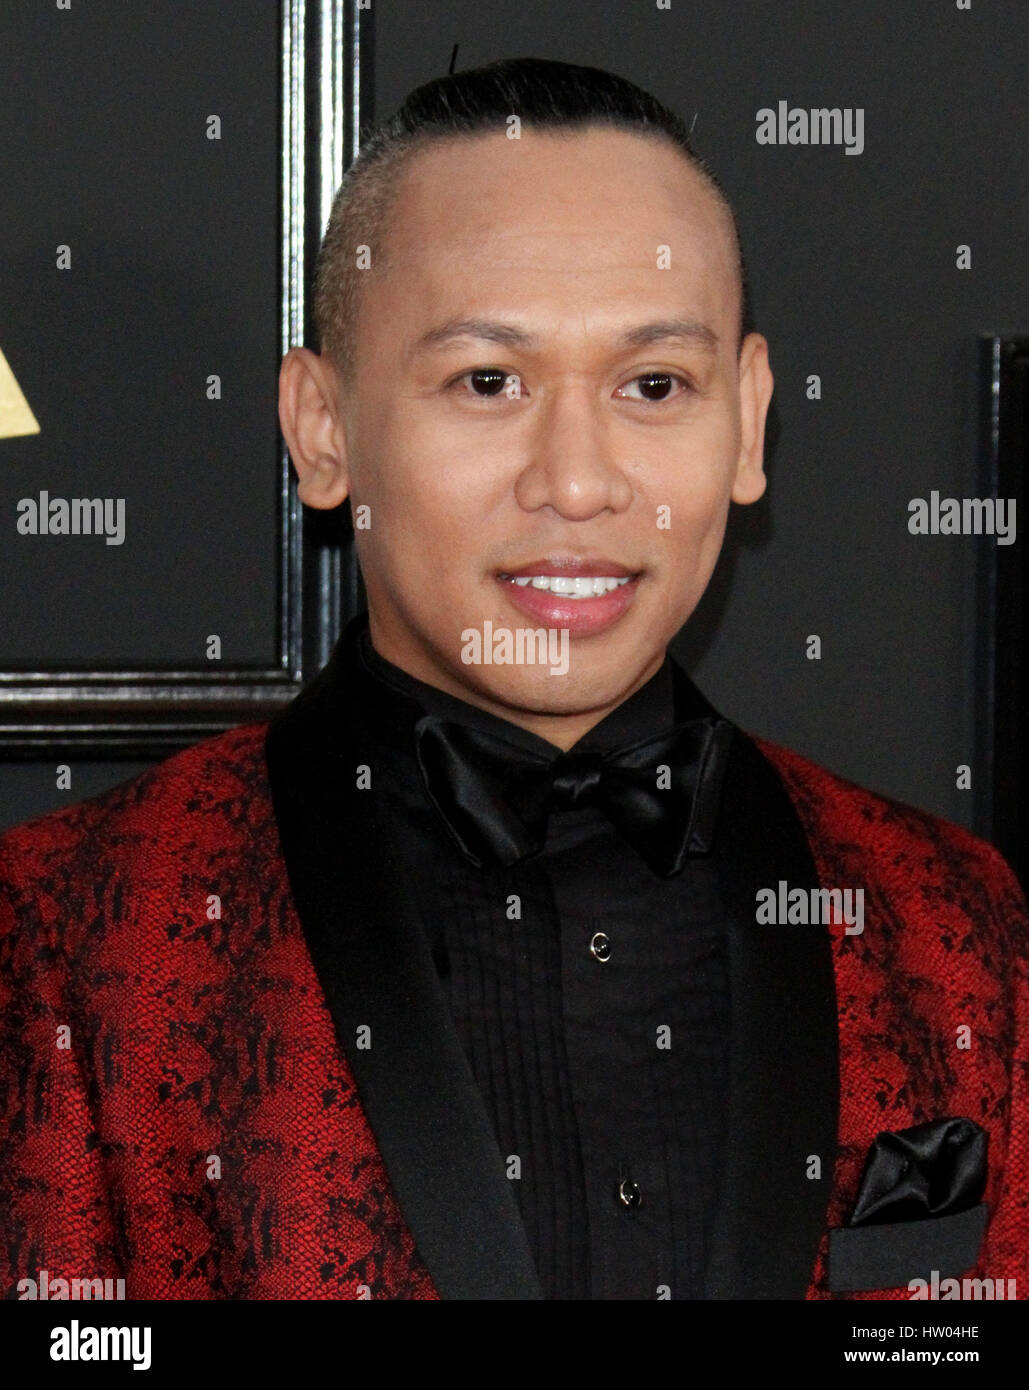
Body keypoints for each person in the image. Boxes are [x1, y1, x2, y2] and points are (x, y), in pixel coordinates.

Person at [1, 57, 1025, 1302]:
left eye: (655, 386)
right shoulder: (62, 932)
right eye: (489, 382)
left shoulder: (959, 927)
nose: (580, 481)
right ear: (323, 428)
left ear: (749, 422)